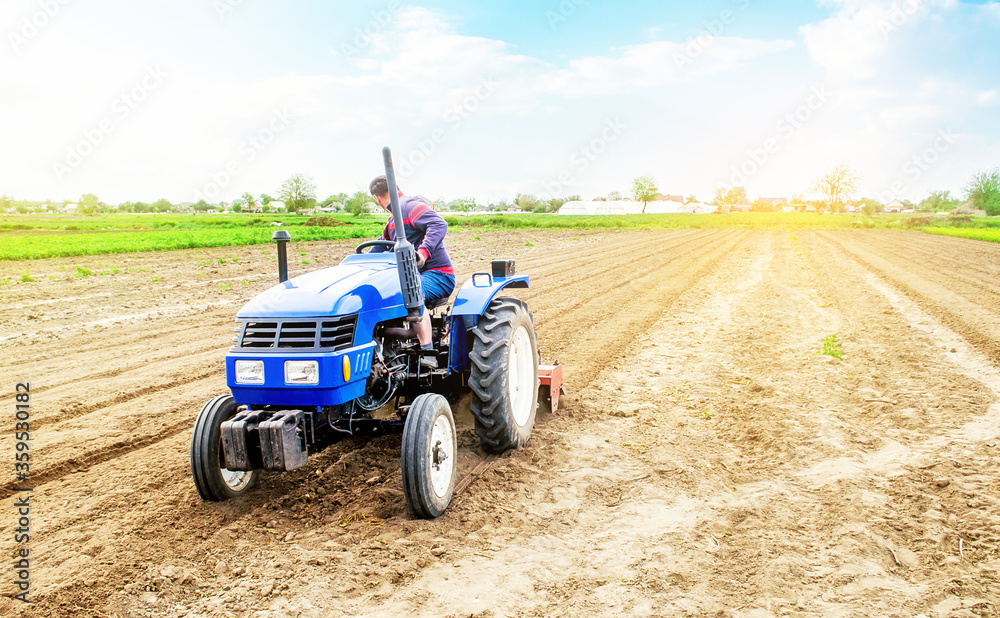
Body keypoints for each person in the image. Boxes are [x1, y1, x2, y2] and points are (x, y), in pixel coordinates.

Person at [368, 175, 455, 369]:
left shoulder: (408, 205)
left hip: (438, 275)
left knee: (411, 290)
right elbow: (378, 249)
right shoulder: (392, 222)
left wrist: (422, 252)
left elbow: (439, 224)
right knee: (385, 293)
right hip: (414, 278)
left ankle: (428, 353)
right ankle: (386, 351)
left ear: (377, 198)